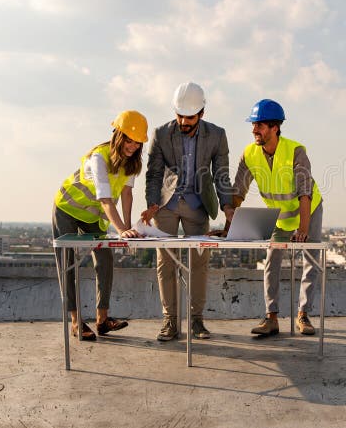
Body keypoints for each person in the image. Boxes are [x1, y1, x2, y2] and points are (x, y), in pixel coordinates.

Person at [141, 82, 235, 341]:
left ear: (202, 113)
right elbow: (154, 173)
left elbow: (222, 174)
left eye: (190, 117)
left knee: (199, 263)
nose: (183, 121)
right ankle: (170, 321)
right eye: (179, 115)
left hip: (197, 204)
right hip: (166, 204)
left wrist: (228, 207)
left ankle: (196, 321)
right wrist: (151, 203)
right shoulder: (161, 134)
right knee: (166, 263)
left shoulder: (217, 135)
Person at [231, 99, 324, 337]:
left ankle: (303, 314)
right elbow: (237, 193)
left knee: (311, 261)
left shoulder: (295, 152)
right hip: (281, 219)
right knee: (271, 261)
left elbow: (305, 193)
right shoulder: (250, 154)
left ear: (275, 127)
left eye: (260, 125)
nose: (254, 130)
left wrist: (303, 229)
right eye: (253, 125)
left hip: (308, 212)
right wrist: (229, 225)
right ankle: (271, 318)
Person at [52, 110, 148, 341]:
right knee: (68, 265)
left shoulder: (132, 162)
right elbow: (105, 200)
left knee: (104, 260)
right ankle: (76, 322)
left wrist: (127, 228)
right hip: (67, 208)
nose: (133, 146)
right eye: (129, 140)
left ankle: (103, 320)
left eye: (137, 143)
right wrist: (120, 230)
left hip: (94, 217)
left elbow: (126, 194)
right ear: (118, 135)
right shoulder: (99, 158)